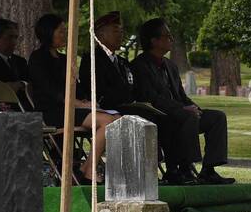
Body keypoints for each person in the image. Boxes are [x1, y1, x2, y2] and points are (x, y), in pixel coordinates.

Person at [77, 11, 189, 184]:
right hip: (106, 107)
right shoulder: (92, 58)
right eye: (115, 31)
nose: (120, 34)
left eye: (121, 31)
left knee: (165, 116)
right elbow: (97, 89)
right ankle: (146, 171)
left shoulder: (121, 62)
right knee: (148, 117)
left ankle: (173, 168)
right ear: (100, 35)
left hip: (127, 105)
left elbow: (133, 87)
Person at [131, 18, 233, 185]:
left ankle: (209, 169)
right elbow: (152, 98)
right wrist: (184, 109)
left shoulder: (170, 65)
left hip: (181, 114)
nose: (171, 39)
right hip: (160, 117)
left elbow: (181, 95)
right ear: (154, 40)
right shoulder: (139, 66)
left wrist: (195, 107)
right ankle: (182, 168)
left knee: (217, 117)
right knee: (188, 117)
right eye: (167, 36)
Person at [27, 12, 117, 183]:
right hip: (51, 111)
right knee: (107, 121)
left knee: (117, 118)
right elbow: (50, 91)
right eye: (61, 31)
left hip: (72, 108)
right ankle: (88, 168)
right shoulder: (37, 58)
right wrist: (77, 104)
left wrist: (85, 100)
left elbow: (78, 89)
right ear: (48, 33)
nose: (65, 34)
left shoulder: (65, 59)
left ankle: (94, 167)